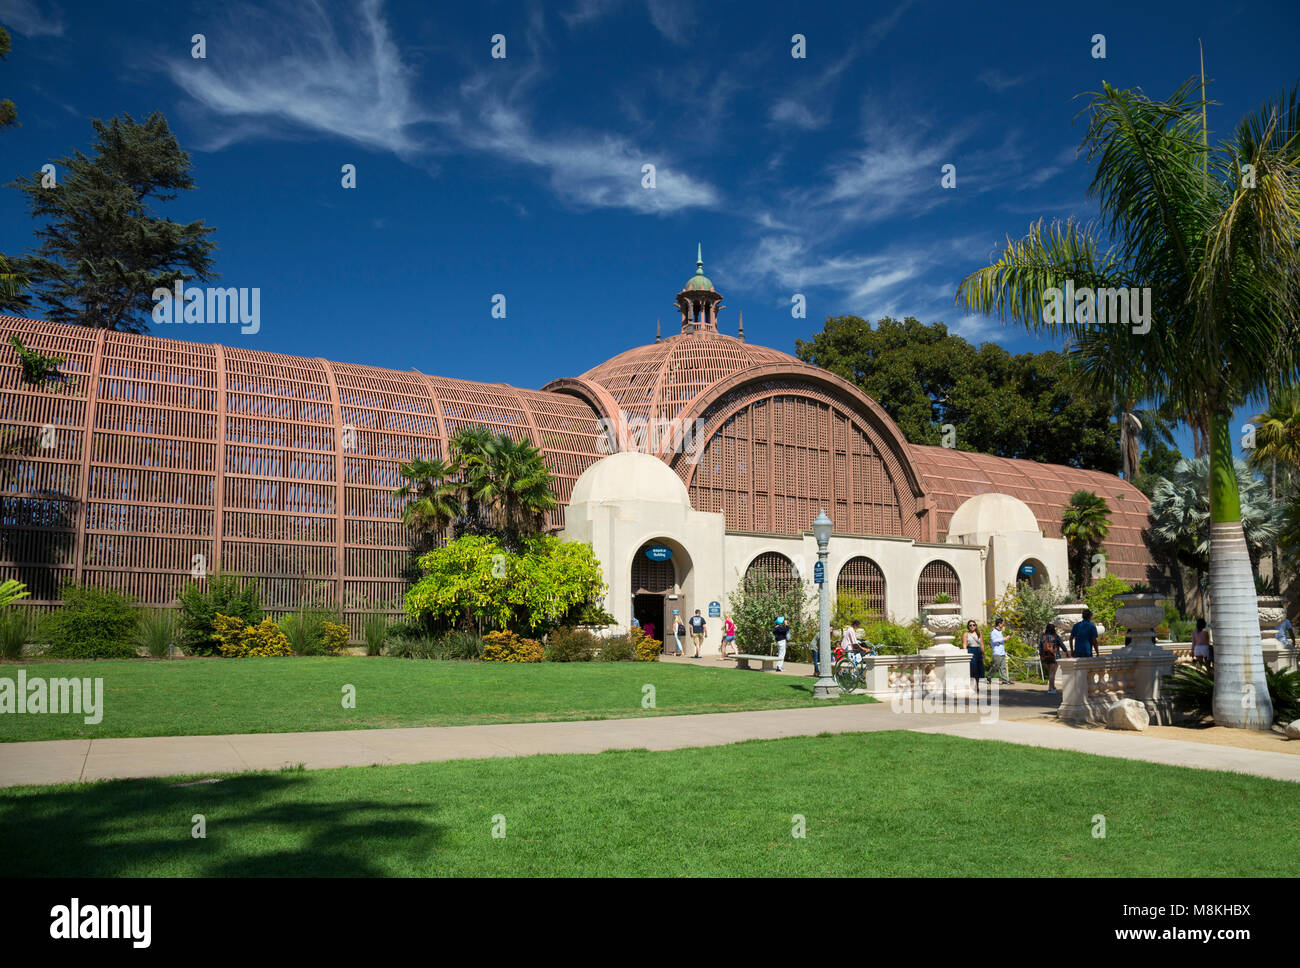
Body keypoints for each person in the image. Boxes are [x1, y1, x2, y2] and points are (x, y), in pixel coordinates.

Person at [1040, 623, 1064, 694]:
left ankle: (1053, 687)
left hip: (1045, 656)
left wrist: (1041, 656)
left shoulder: (1043, 637)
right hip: (1055, 656)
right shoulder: (1056, 637)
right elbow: (1062, 645)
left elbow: (1040, 647)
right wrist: (1067, 652)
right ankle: (1050, 689)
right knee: (1052, 673)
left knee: (1050, 672)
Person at [989, 618, 1011, 685]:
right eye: (1002, 623)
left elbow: (1000, 640)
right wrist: (1003, 638)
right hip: (997, 652)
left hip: (1002, 652)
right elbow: (994, 640)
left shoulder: (1000, 632)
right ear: (999, 624)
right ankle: (989, 677)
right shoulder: (993, 632)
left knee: (1003, 667)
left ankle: (1005, 680)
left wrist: (1006, 638)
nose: (1003, 625)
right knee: (995, 666)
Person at [963, 620, 985, 687]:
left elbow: (982, 644)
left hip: (978, 651)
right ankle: (972, 685)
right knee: (973, 668)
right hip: (971, 650)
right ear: (968, 626)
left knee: (980, 668)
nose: (972, 626)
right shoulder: (966, 634)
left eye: (973, 625)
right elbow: (964, 644)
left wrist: (983, 653)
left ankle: (979, 685)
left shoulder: (979, 633)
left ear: (976, 626)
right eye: (970, 625)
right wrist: (965, 653)